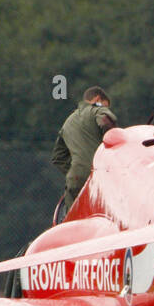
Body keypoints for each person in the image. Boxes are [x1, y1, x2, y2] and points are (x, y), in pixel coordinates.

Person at [51, 86, 117, 215]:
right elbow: (105, 122)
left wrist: (77, 170)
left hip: (75, 179)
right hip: (101, 175)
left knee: (75, 222)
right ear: (97, 99)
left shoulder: (68, 122)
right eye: (106, 105)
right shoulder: (97, 111)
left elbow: (58, 157)